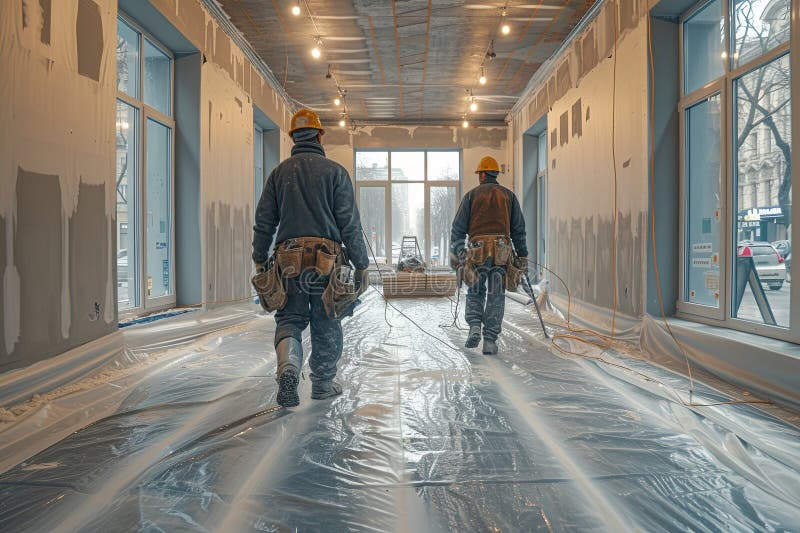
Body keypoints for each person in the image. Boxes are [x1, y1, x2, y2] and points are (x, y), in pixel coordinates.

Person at [252, 108, 369, 407]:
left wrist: (259, 258)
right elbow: (349, 223)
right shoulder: (335, 173)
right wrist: (362, 264)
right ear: (319, 134)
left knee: (289, 316)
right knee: (327, 317)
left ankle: (288, 368)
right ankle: (322, 384)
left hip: (287, 260)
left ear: (293, 136)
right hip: (327, 262)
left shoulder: (279, 173)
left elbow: (264, 221)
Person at [450, 156, 527, 355]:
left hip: (477, 250)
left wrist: (458, 253)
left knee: (475, 289)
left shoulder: (471, 196)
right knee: (496, 294)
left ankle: (475, 325)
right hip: (502, 251)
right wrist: (523, 256)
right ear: (495, 174)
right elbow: (519, 230)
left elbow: (457, 229)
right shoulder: (509, 196)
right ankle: (490, 340)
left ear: (482, 174)